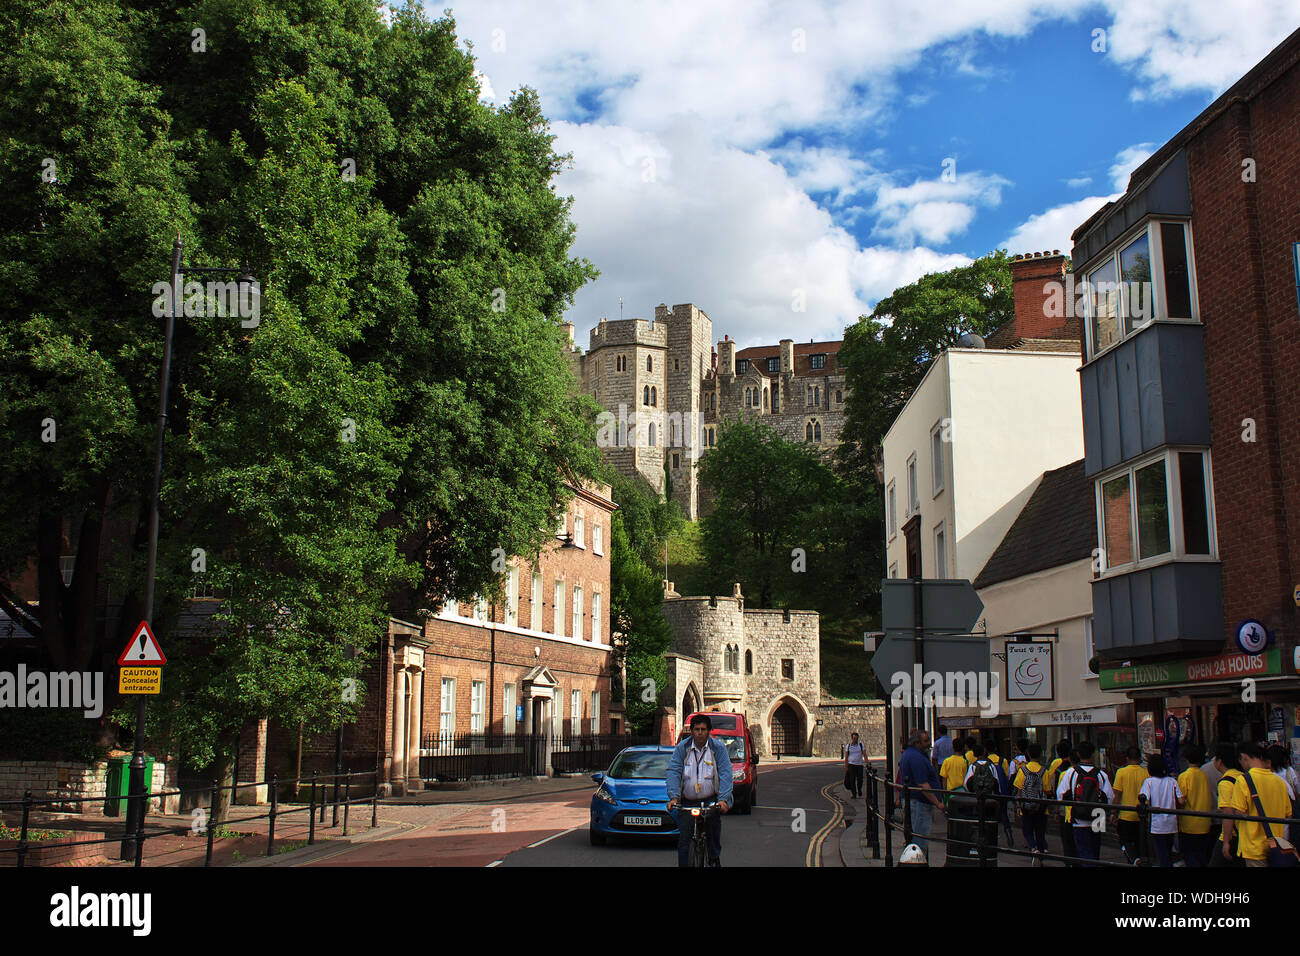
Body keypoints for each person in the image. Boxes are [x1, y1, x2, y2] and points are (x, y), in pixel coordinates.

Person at [666, 714, 733, 867]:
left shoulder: (718, 748)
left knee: (713, 831)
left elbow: (725, 773)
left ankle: (714, 857)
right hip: (687, 801)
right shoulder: (682, 748)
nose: (700, 733)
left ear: (709, 731)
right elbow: (674, 771)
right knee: (684, 841)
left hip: (710, 800)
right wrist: (674, 797)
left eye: (703, 729)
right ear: (692, 731)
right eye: (697, 729)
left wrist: (723, 799)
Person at [1222, 742, 1294, 867]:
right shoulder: (1280, 782)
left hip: (1253, 846)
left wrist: (1227, 841)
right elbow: (1288, 815)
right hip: (1276, 845)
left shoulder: (1243, 780)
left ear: (1244, 757)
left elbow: (1238, 812)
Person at [1057, 741, 1114, 865]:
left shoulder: (1070, 773)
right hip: (1098, 817)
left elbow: (1060, 795)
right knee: (1095, 850)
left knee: (1084, 852)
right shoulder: (1101, 774)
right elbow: (1110, 797)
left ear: (1078, 754)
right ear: (1093, 754)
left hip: (1078, 817)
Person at [899, 729, 944, 859]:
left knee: (916, 841)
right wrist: (938, 803)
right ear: (917, 743)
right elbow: (923, 784)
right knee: (920, 842)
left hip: (915, 802)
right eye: (925, 741)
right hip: (918, 803)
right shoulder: (916, 757)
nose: (929, 744)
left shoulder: (912, 754)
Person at [1138, 754, 1184, 867]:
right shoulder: (1172, 781)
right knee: (1168, 852)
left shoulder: (1148, 782)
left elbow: (1145, 801)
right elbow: (1182, 801)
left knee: (1161, 853)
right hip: (1172, 823)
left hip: (1157, 824)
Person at [1208, 745, 1244, 868]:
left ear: (1220, 761)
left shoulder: (1225, 783)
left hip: (1231, 835)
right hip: (1243, 833)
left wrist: (1226, 842)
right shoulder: (1242, 776)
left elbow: (1228, 812)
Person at [1012, 742, 1049, 864]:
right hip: (1041, 807)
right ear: (1041, 755)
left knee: (1027, 830)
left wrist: (1018, 806)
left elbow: (1019, 789)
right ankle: (1041, 853)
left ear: (1028, 754)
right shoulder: (1044, 771)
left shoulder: (1023, 770)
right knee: (1040, 831)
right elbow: (1047, 790)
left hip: (1026, 807)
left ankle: (1033, 848)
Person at [1177, 743, 1213, 867]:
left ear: (1187, 759)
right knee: (1202, 855)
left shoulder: (1185, 776)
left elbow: (1181, 800)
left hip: (1189, 823)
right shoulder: (1204, 774)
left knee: (1190, 855)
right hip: (1205, 822)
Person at [1111, 748, 1149, 863]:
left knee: (1124, 842)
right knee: (1139, 843)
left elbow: (1117, 795)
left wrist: (1113, 813)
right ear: (1139, 759)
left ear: (1127, 758)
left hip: (1125, 815)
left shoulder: (1121, 772)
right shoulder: (1146, 773)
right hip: (1141, 816)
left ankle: (1134, 860)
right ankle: (1137, 859)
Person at [1046, 741, 1077, 865]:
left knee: (1068, 839)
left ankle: (1069, 862)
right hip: (1093, 812)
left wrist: (1057, 810)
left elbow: (1055, 789)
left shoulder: (1060, 769)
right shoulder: (1096, 772)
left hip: (1067, 811)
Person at [844, 732, 866, 799]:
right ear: (851, 738)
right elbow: (846, 757)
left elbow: (864, 754)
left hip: (859, 765)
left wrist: (867, 762)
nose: (855, 740)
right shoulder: (848, 746)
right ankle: (854, 794)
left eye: (856, 738)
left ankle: (859, 789)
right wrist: (846, 767)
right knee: (852, 780)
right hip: (851, 765)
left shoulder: (861, 745)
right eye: (854, 738)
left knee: (860, 780)